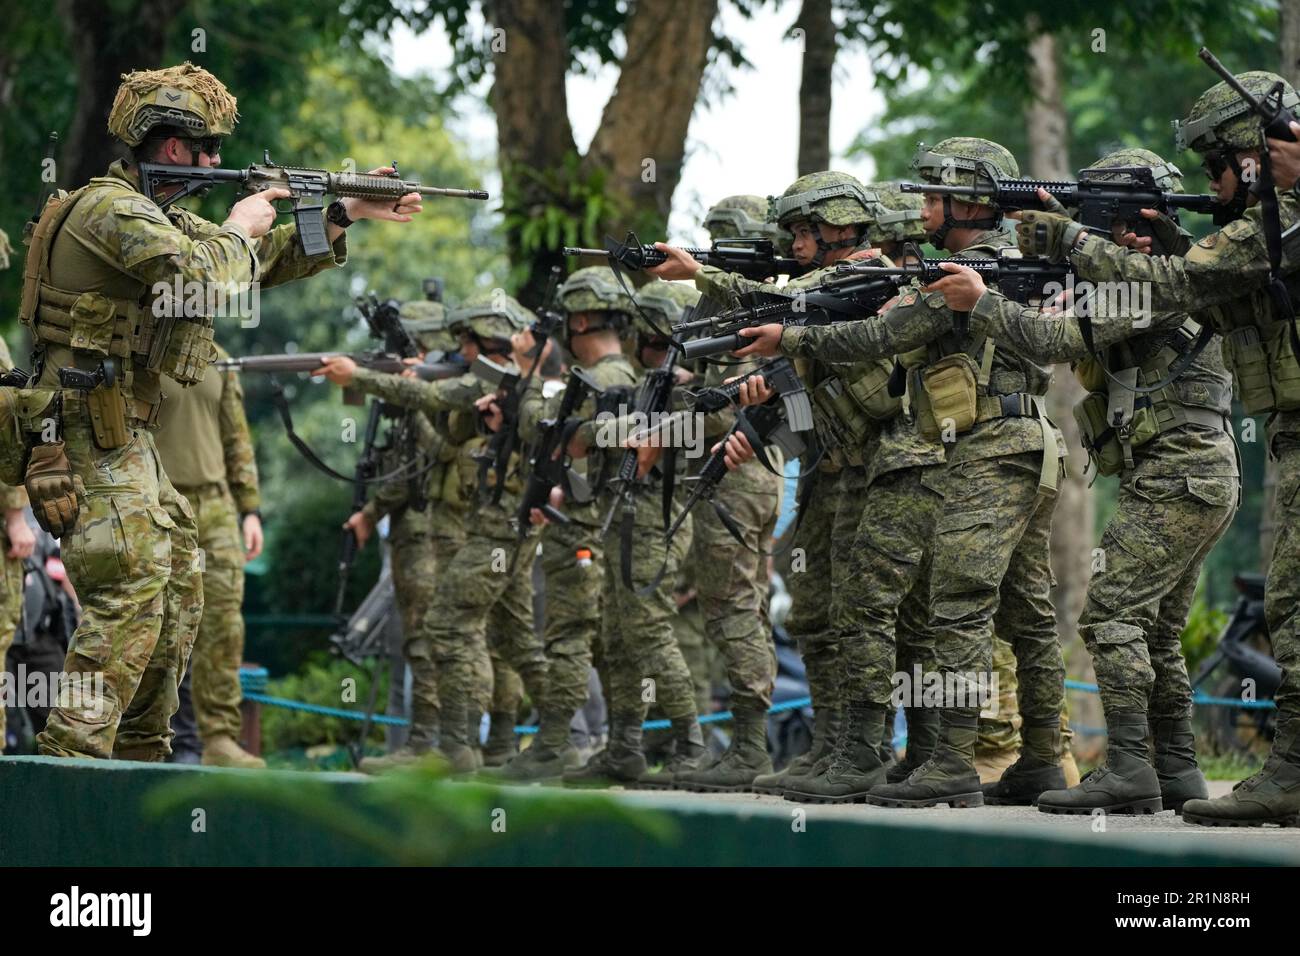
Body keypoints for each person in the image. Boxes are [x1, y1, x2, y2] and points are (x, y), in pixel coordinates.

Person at [22, 62, 422, 761]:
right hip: (82, 433)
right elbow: (208, 279)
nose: (217, 162)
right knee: (133, 579)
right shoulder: (109, 211)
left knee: (179, 580)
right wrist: (240, 222)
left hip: (122, 434)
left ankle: (140, 757)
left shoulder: (160, 218)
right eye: (209, 149)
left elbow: (254, 265)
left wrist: (344, 209)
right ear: (173, 147)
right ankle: (73, 756)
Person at [737, 141, 1070, 808]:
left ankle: (947, 760)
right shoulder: (999, 270)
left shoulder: (983, 275)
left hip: (992, 450)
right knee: (1024, 616)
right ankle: (1033, 759)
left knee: (955, 608)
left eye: (933, 197)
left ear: (970, 202)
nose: (920, 210)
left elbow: (878, 340)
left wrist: (794, 338)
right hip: (1022, 447)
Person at [1013, 71, 1300, 825]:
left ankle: (1133, 767)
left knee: (1110, 613)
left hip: (1182, 477)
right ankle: (1175, 769)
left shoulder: (1175, 275)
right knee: (1160, 628)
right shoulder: (1195, 261)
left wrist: (984, 302)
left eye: (1221, 165)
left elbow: (1055, 335)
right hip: (1198, 476)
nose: (1217, 181)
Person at [316, 292, 550, 772]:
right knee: (505, 636)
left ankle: (467, 745)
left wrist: (362, 378)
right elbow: (451, 430)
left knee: (458, 630)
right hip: (497, 525)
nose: (461, 353)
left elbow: (438, 428)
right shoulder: (508, 383)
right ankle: (505, 743)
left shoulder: (510, 382)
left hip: (484, 526)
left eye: (467, 343)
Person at [154, 344, 265, 768]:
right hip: (161, 499)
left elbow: (236, 436)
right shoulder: (141, 345)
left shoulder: (220, 357)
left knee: (223, 623)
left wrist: (250, 508)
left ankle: (218, 738)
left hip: (217, 505)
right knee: (164, 624)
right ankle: (161, 738)